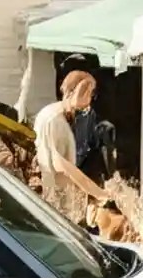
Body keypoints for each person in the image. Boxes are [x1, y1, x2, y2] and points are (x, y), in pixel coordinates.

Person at [34, 70, 113, 223]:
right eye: (89, 93)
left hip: (62, 201)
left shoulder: (56, 115)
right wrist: (97, 192)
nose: (90, 99)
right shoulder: (54, 120)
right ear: (78, 91)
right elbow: (62, 166)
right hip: (58, 204)